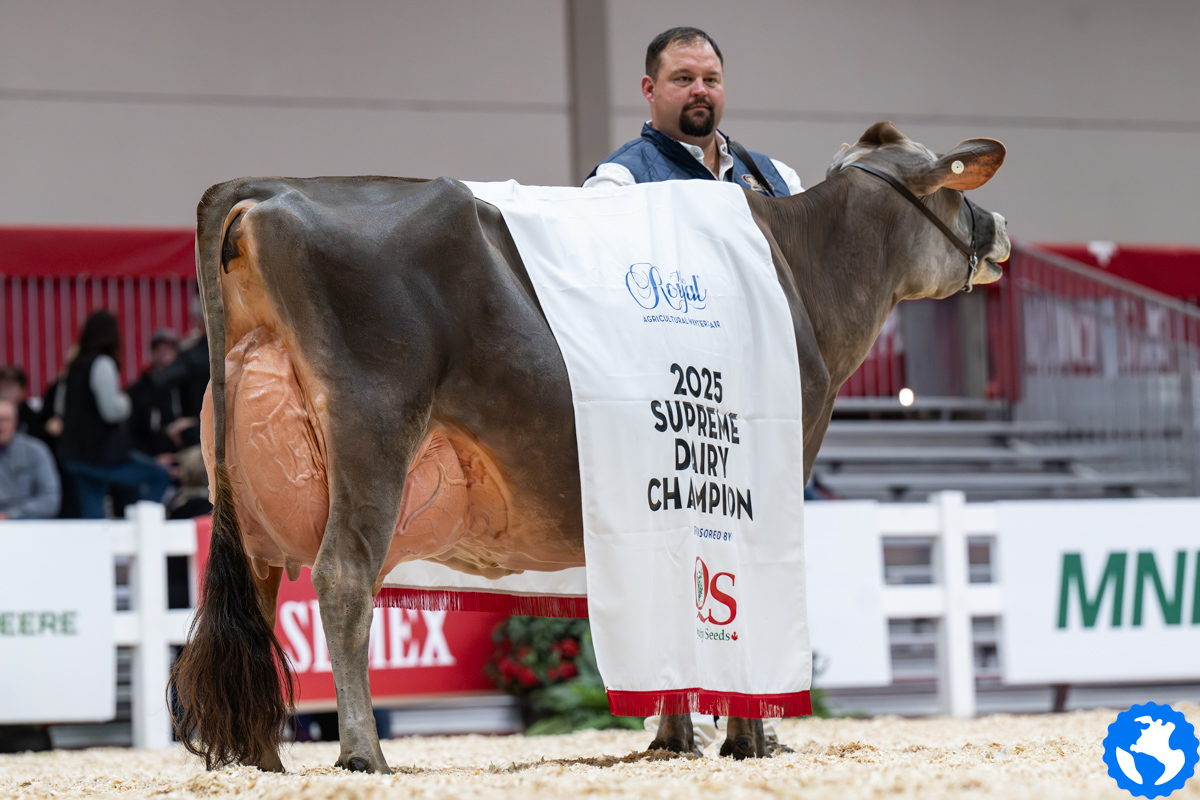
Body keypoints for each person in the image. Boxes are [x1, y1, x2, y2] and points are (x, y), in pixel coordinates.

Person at [584, 26, 802, 198]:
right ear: (650, 90)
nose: (700, 90)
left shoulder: (779, 177)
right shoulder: (618, 181)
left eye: (711, 80)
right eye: (684, 79)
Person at [56, 311, 171, 519]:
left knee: (93, 511)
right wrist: (125, 401)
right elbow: (110, 411)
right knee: (159, 476)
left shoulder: (73, 366)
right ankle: (142, 528)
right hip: (102, 453)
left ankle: (97, 550)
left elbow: (59, 407)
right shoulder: (103, 363)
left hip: (75, 455)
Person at [129, 328, 194, 464]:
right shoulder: (138, 390)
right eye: (159, 350)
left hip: (184, 456)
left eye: (169, 350)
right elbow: (132, 433)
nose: (165, 355)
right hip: (151, 458)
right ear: (151, 354)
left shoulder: (189, 388)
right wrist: (154, 459)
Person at [0, 398, 61, 520]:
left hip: (27, 520)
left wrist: (10, 515)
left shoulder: (36, 450)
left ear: (16, 422)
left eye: (6, 419)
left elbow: (50, 501)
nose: (1, 425)